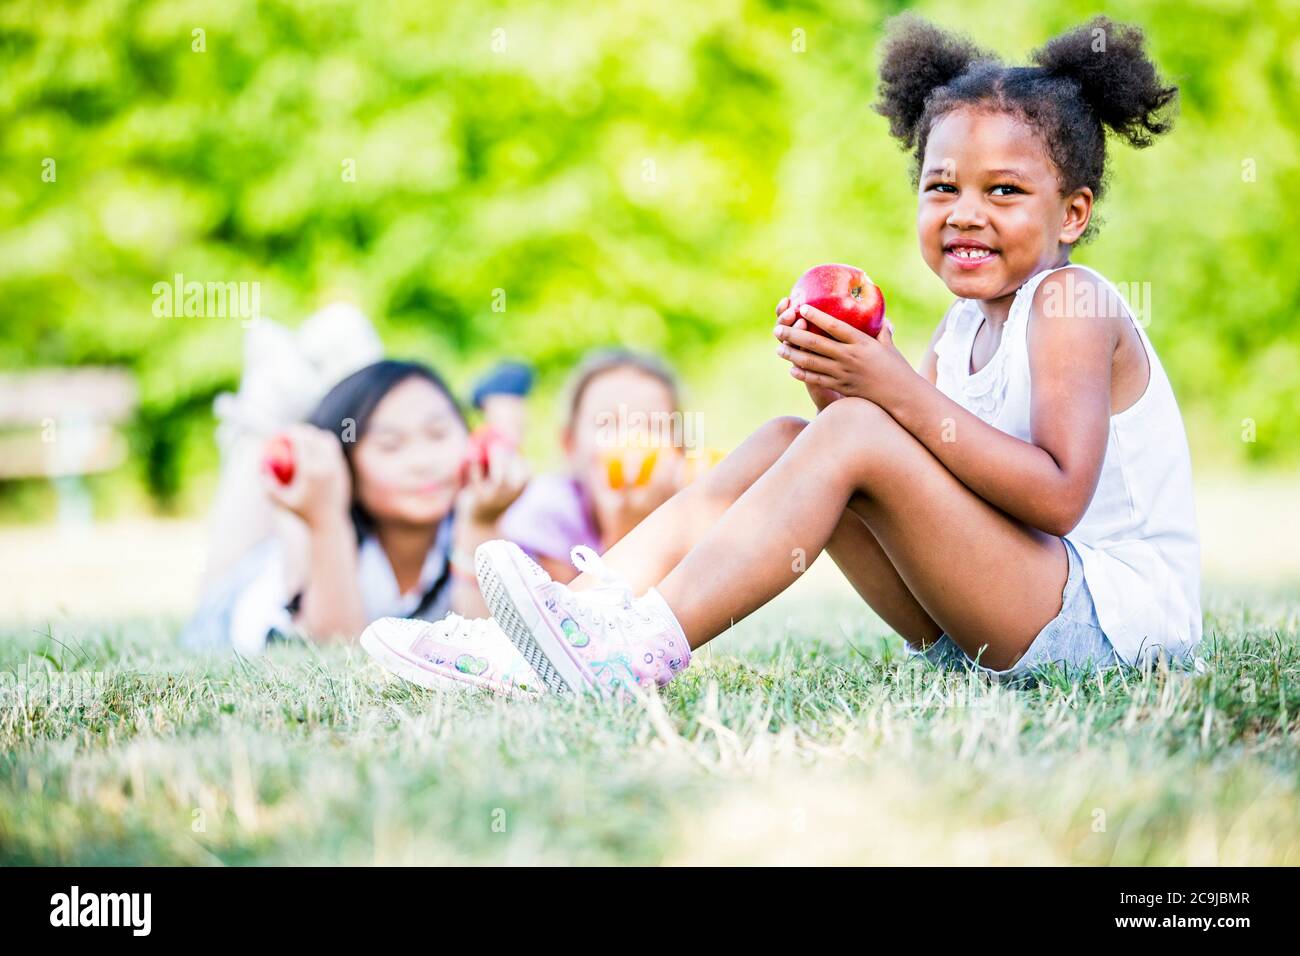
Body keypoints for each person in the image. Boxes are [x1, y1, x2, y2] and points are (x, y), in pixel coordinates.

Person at [390, 15, 1202, 696]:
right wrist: (840, 386)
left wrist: (882, 396)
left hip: (1105, 630)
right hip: (990, 619)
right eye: (942, 186)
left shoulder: (1071, 302)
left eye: (1005, 191)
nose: (965, 212)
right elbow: (908, 480)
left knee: (855, 431)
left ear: (1072, 213)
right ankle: (579, 618)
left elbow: (1058, 498)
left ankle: (633, 656)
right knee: (793, 435)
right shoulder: (960, 331)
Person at [185, 359, 543, 693]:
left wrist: (480, 523)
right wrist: (325, 517)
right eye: (390, 445)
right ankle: (268, 406)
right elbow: (336, 648)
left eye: (438, 434)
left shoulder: (465, 523)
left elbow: (489, 648)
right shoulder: (312, 532)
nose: (423, 462)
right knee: (257, 439)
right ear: (344, 464)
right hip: (231, 601)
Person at [495, 350, 687, 583]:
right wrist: (624, 533)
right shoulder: (547, 513)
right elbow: (568, 615)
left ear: (680, 450)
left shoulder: (690, 515)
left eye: (651, 426)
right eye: (607, 424)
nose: (630, 440)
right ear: (569, 444)